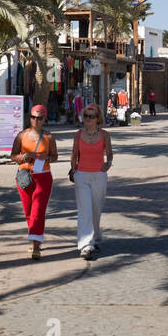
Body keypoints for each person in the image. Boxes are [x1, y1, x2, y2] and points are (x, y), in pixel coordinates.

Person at [11, 105, 58, 260]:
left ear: (45, 119)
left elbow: (55, 156)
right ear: (29, 117)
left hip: (43, 177)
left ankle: (36, 245)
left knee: (38, 212)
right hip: (25, 177)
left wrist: (47, 157)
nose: (36, 120)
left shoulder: (49, 137)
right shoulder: (21, 136)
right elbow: (13, 156)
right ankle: (35, 236)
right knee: (28, 212)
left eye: (39, 118)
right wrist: (24, 157)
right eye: (33, 117)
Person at [70, 105, 113, 260]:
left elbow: (109, 154)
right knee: (84, 210)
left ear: (98, 118)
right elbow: (74, 154)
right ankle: (86, 245)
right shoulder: (78, 134)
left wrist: (107, 164)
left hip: (99, 176)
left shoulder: (105, 135)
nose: (88, 119)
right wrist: (74, 169)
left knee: (96, 209)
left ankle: (93, 237)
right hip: (82, 175)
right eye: (86, 116)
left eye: (91, 116)